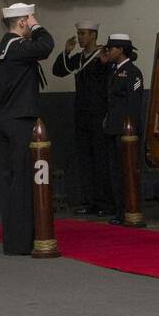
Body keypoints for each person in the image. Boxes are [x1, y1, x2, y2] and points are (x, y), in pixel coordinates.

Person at [0, 2, 54, 255]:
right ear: (22, 22)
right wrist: (36, 24)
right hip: (20, 120)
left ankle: (16, 239)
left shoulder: (1, 51)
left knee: (14, 180)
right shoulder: (16, 47)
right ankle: (22, 241)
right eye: (29, 20)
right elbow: (47, 45)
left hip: (6, 118)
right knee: (24, 181)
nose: (32, 23)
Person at [51, 21, 111, 216]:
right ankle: (89, 200)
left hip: (99, 113)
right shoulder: (78, 59)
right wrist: (66, 52)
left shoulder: (103, 56)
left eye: (83, 34)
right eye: (78, 33)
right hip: (82, 113)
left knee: (101, 158)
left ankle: (104, 202)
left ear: (94, 35)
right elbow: (58, 71)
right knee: (84, 158)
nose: (80, 37)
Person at [99, 33, 144, 225]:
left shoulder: (132, 72)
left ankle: (130, 209)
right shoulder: (114, 70)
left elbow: (134, 103)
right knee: (115, 171)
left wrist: (130, 129)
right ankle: (119, 210)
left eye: (111, 48)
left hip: (125, 132)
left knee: (127, 171)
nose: (108, 51)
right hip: (113, 128)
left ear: (121, 50)